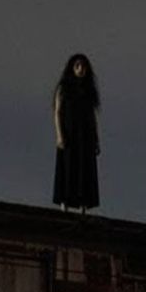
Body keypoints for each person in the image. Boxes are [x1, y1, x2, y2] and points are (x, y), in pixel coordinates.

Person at [53, 53, 100, 212]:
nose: (81, 69)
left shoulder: (89, 91)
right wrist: (59, 135)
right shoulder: (63, 88)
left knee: (84, 168)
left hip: (85, 136)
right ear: (72, 68)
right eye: (77, 66)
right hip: (69, 134)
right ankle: (64, 203)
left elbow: (93, 116)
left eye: (83, 66)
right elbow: (57, 112)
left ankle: (83, 205)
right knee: (68, 166)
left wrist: (96, 139)